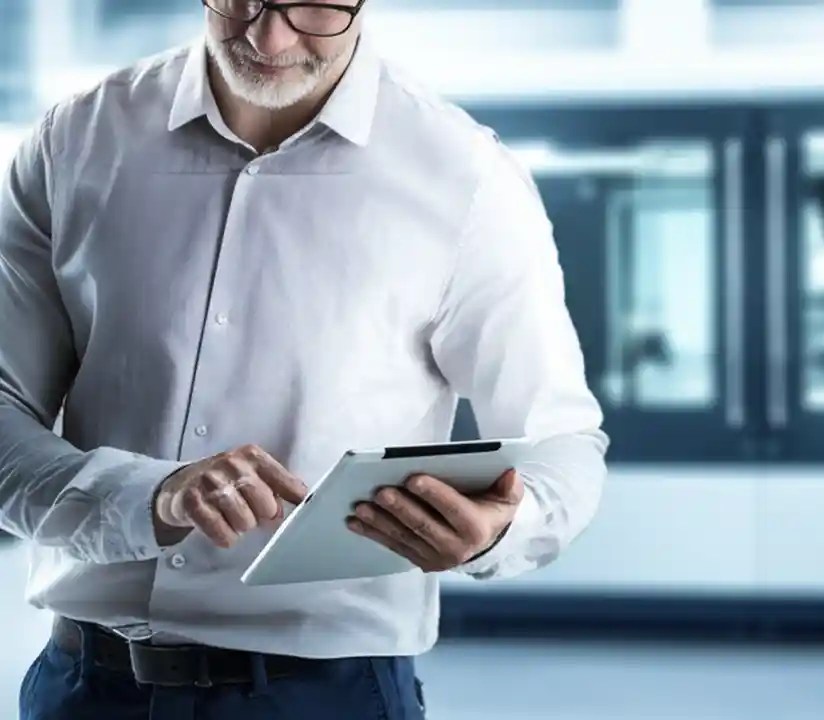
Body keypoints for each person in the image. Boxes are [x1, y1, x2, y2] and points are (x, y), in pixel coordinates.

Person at [0, 1, 608, 718]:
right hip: (84, 688)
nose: (268, 35)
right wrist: (149, 497)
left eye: (313, 4)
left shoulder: (465, 175)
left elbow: (562, 441)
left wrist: (501, 527)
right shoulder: (76, 141)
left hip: (329, 696)